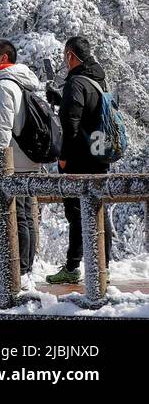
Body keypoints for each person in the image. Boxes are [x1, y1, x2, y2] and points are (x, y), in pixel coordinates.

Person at [45, 36, 115, 284]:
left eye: (66, 55)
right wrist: (59, 99)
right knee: (98, 209)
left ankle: (73, 267)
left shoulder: (76, 83)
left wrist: (63, 157)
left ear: (71, 56)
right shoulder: (98, 80)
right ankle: (103, 266)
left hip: (78, 160)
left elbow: (70, 124)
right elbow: (87, 112)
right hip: (99, 155)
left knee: (75, 212)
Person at [0, 38, 47, 284]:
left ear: (3, 58)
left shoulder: (2, 86)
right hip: (27, 159)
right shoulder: (21, 83)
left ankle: (18, 270)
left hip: (12, 162)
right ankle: (26, 268)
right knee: (26, 214)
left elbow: (0, 127)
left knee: (17, 215)